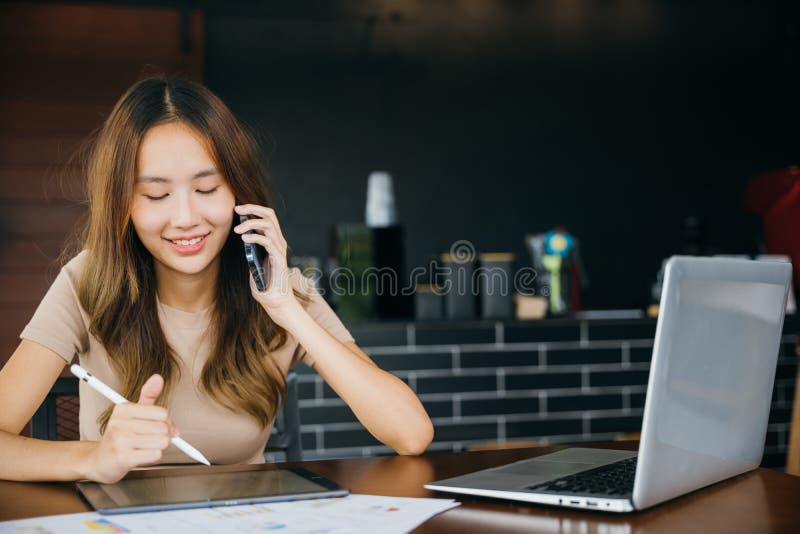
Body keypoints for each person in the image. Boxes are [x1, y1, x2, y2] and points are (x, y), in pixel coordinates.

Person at [0, 77, 433, 483]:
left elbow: (411, 434)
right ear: (124, 204)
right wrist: (94, 459)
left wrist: (289, 311)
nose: (186, 218)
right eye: (156, 195)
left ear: (237, 193)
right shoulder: (88, 281)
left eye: (207, 189)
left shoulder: (279, 286)